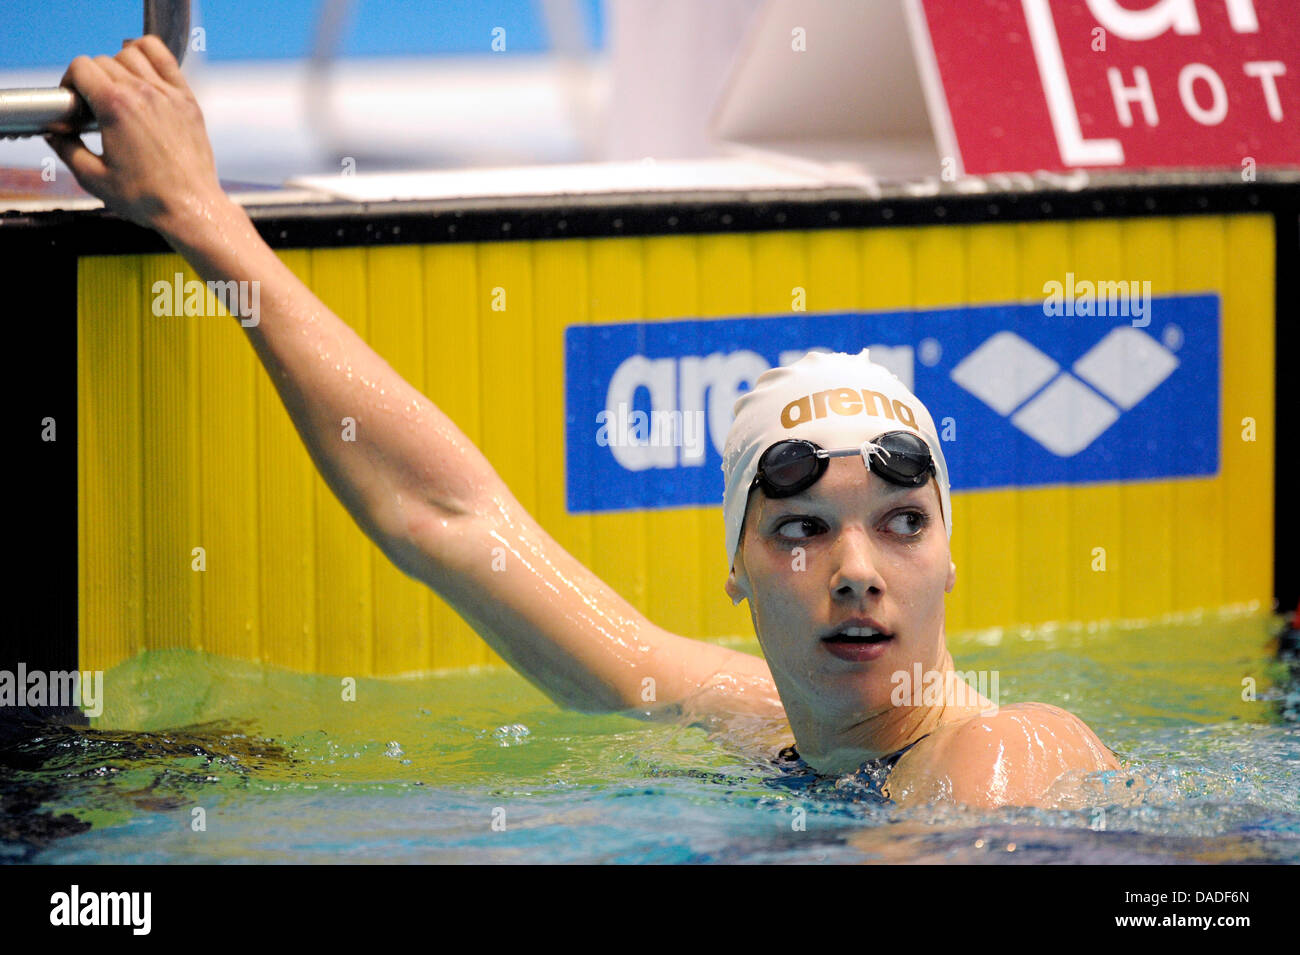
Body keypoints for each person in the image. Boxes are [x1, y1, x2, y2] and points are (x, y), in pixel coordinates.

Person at [45, 36, 1122, 809]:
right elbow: (449, 517)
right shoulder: (759, 714)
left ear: (949, 553)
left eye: (899, 521)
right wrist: (203, 214)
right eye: (799, 527)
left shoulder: (996, 756)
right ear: (735, 567)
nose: (854, 570)